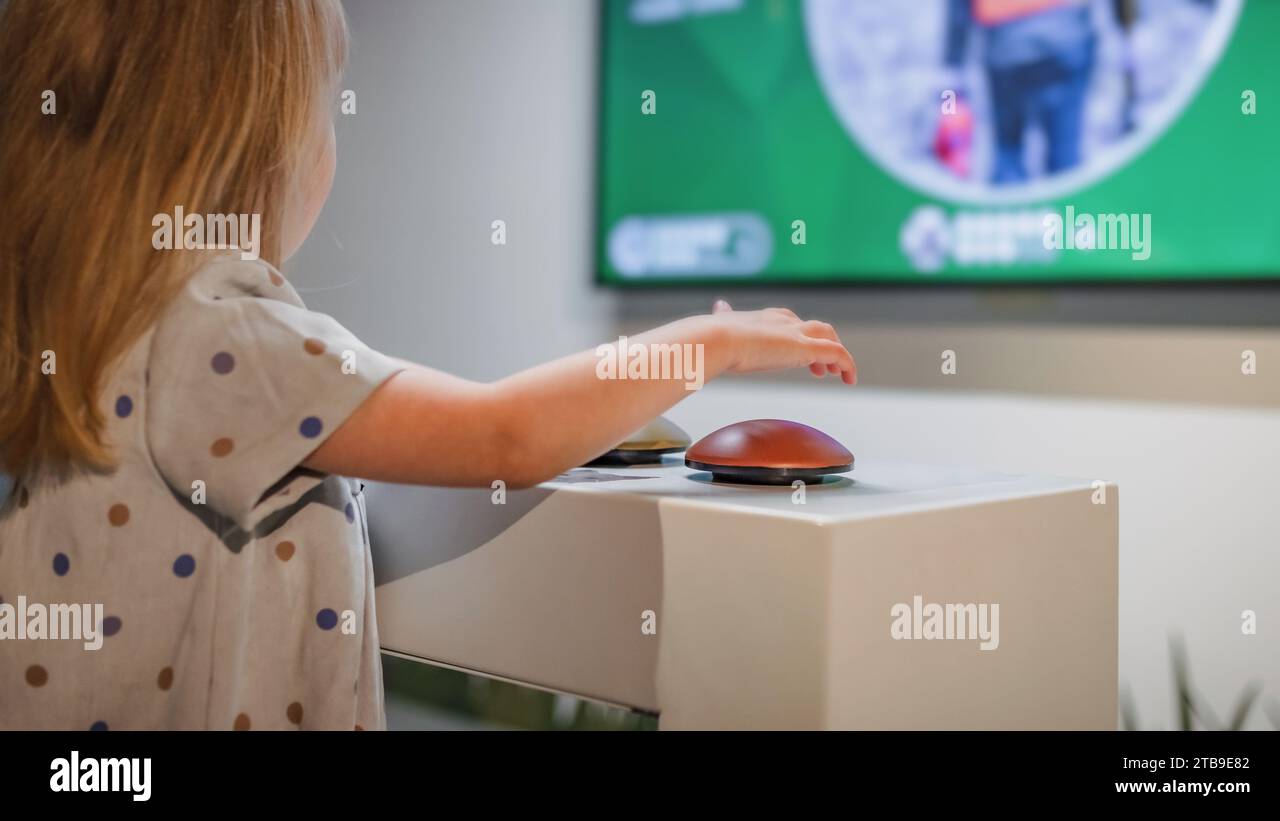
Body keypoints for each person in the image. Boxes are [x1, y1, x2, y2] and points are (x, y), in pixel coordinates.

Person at [0, 0, 856, 730]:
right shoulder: (219, 333)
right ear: (247, 143)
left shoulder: (81, 325)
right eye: (324, 104)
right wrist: (713, 342)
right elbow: (504, 433)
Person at [945, 0, 1097, 184]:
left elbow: (958, 10)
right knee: (1065, 158)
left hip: (1007, 46)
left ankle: (1008, 204)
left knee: (1009, 154)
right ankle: (1070, 206)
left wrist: (953, 66)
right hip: (1068, 37)